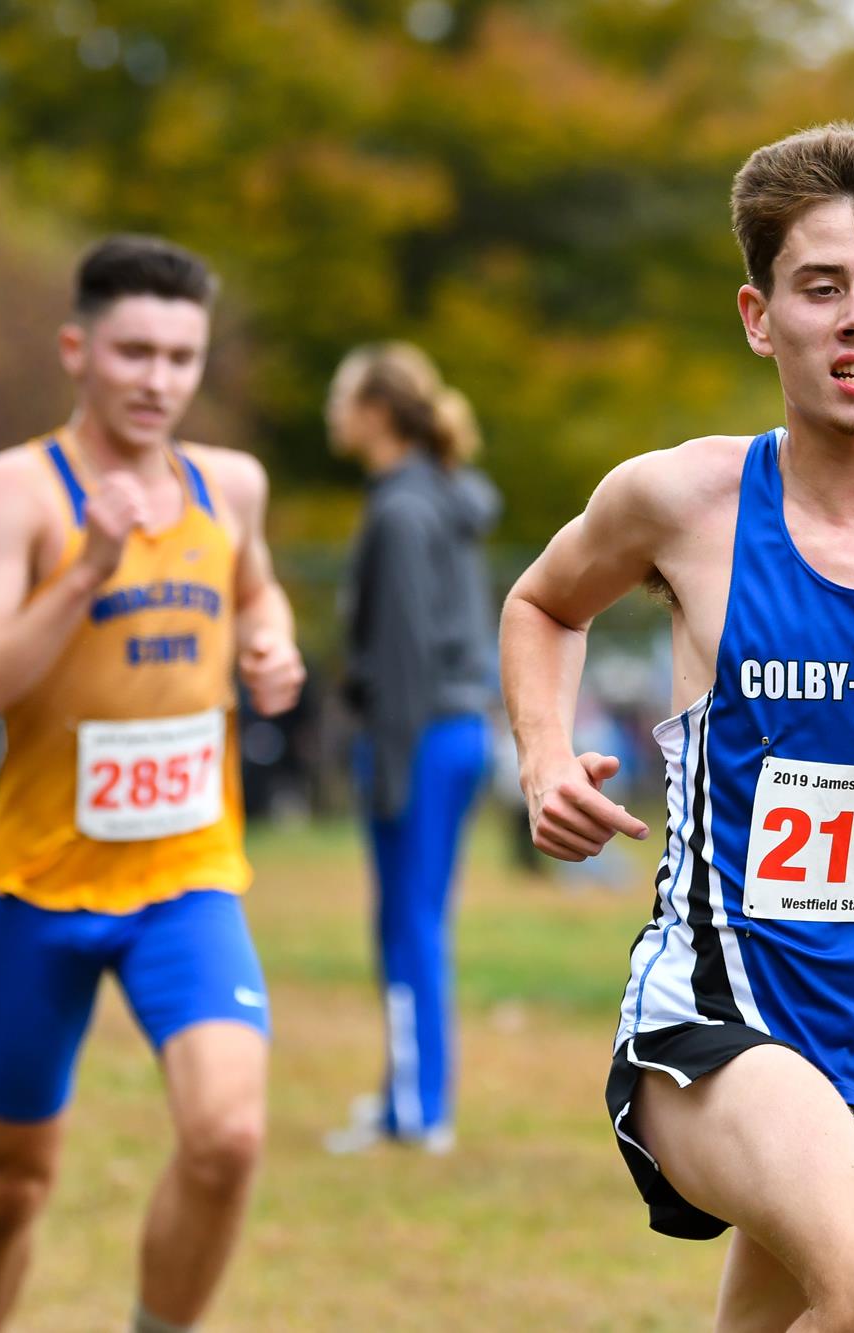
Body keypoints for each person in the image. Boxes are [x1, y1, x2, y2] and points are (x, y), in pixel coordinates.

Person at [500, 123, 854, 1330]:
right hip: (709, 1014)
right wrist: (545, 755)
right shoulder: (685, 499)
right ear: (762, 318)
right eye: (821, 289)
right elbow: (543, 602)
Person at [0, 236, 304, 1333]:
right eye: (134, 352)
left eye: (181, 357)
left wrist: (272, 645)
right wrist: (86, 570)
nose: (158, 380)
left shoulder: (227, 485)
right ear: (76, 350)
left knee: (228, 1135)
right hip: (39, 889)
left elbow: (259, 592)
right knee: (10, 1184)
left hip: (184, 883)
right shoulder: (16, 491)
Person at [322, 342, 499, 1155]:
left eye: (346, 395)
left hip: (418, 734)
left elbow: (400, 653)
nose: (335, 410)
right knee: (416, 918)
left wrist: (387, 766)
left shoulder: (400, 510)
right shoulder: (444, 497)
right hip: (455, 728)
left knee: (408, 922)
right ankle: (406, 1097)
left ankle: (421, 1109)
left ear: (377, 413)